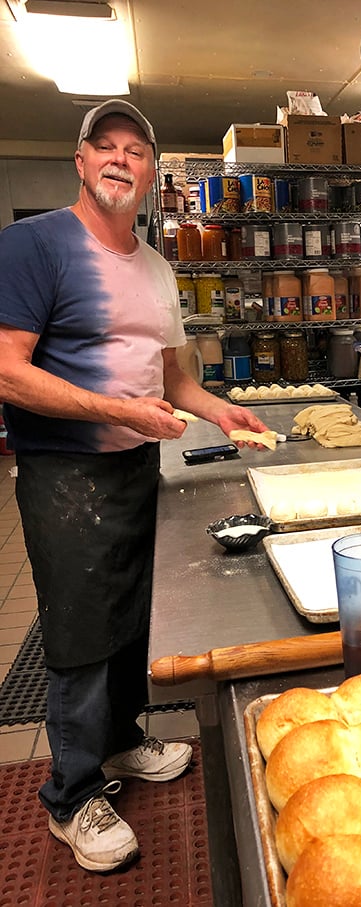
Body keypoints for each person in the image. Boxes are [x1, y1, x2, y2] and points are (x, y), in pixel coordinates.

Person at [0, 99, 271, 872]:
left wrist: (226, 413)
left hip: (131, 466)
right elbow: (7, 368)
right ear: (80, 161)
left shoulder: (155, 265)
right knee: (80, 631)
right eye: (105, 146)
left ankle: (119, 741)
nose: (122, 159)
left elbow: (174, 375)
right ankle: (71, 792)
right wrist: (115, 409)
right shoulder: (34, 246)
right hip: (63, 472)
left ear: (153, 173)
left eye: (137, 150)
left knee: (128, 615)